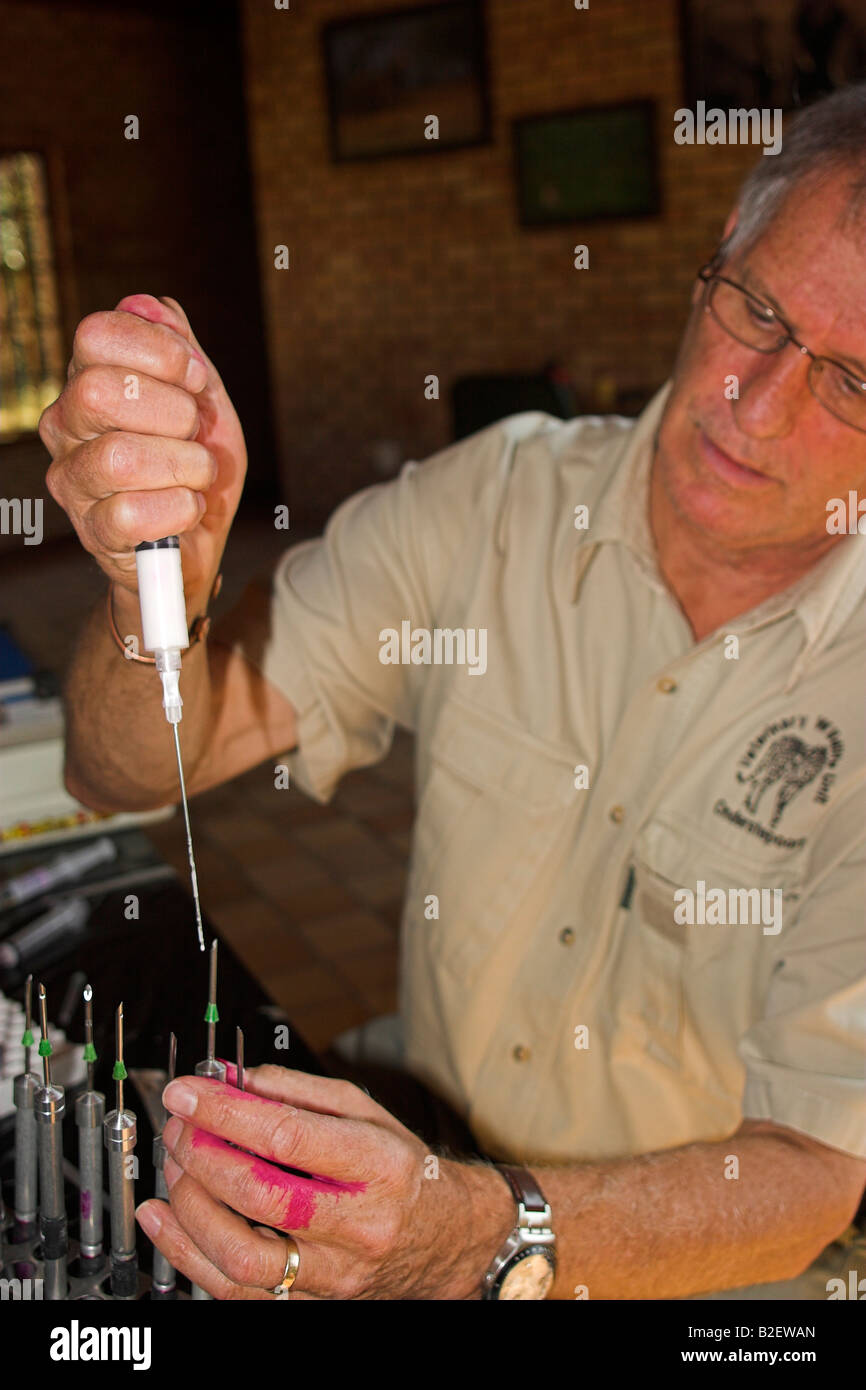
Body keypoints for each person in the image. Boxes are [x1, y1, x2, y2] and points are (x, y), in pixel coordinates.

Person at [39, 85, 866, 1300]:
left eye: (851, 379)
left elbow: (816, 1168)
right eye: (756, 311)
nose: (757, 399)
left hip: (709, 1282)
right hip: (431, 1143)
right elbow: (116, 766)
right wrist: (143, 591)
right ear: (711, 270)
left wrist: (485, 1235)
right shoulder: (492, 503)